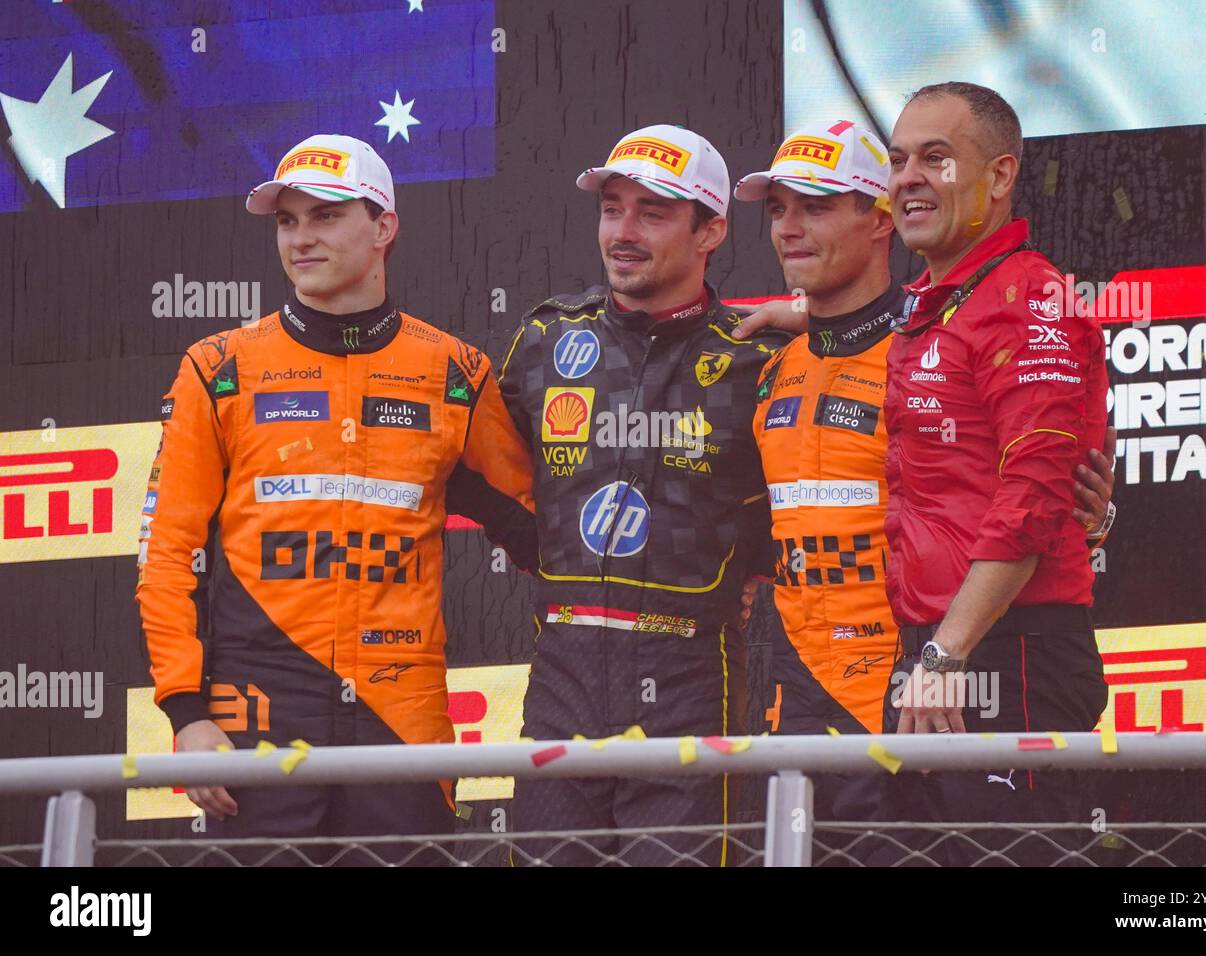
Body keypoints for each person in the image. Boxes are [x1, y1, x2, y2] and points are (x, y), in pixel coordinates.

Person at [135, 134, 537, 862]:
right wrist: (186, 711)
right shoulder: (220, 369)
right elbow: (167, 551)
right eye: (287, 222)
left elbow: (536, 524)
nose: (301, 238)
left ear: (384, 227)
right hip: (258, 704)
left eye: (324, 217)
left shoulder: (454, 371)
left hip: (402, 705)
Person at [732, 120, 1114, 861]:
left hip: (923, 678)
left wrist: (1087, 521)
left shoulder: (974, 320)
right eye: (777, 209)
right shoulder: (774, 359)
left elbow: (1042, 478)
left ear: (880, 219)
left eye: (814, 206)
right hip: (808, 697)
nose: (789, 228)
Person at [497, 124, 789, 865]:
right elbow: (469, 468)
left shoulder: (759, 355)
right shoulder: (546, 337)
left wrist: (819, 318)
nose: (622, 232)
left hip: (692, 671)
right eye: (612, 208)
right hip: (562, 669)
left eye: (652, 213)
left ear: (711, 230)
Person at [878, 82, 1111, 859]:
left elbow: (1037, 495)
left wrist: (949, 654)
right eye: (898, 158)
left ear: (1000, 175)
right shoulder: (936, 300)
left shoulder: (1029, 299)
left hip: (1007, 655)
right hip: (939, 652)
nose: (908, 176)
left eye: (936, 159)